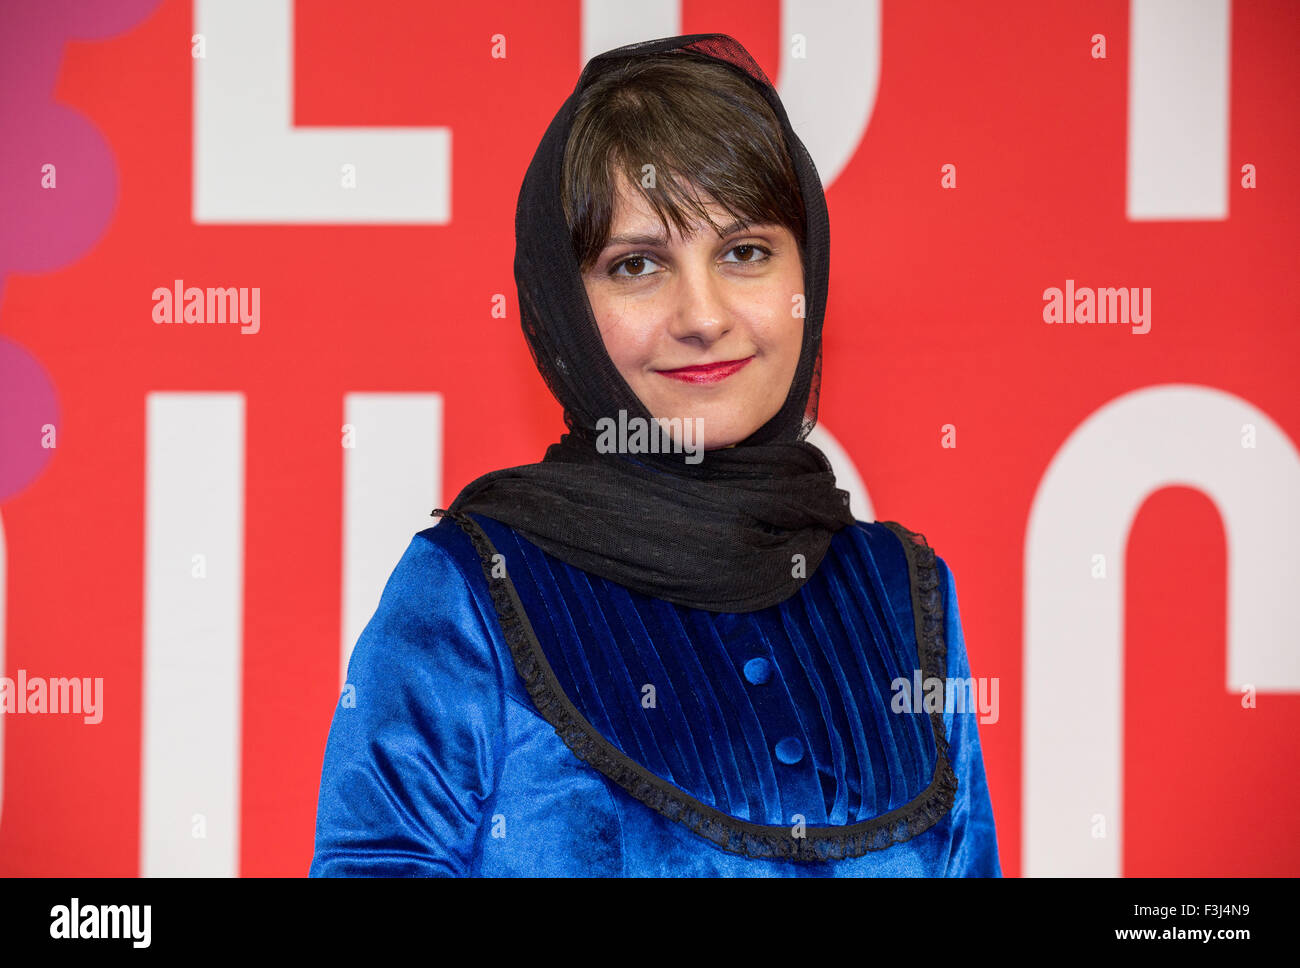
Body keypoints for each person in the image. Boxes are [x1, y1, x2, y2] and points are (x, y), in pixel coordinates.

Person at [309, 33, 1001, 877]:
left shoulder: (903, 590)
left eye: (745, 253)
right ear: (565, 305)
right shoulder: (468, 592)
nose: (703, 316)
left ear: (806, 274)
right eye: (637, 265)